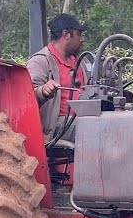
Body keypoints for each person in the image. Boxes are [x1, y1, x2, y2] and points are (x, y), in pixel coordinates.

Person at [27, 12, 88, 142]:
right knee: (96, 127)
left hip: (84, 118)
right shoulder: (40, 61)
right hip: (56, 125)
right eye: (78, 34)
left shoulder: (80, 62)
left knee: (111, 121)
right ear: (66, 35)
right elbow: (26, 98)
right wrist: (42, 91)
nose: (82, 39)